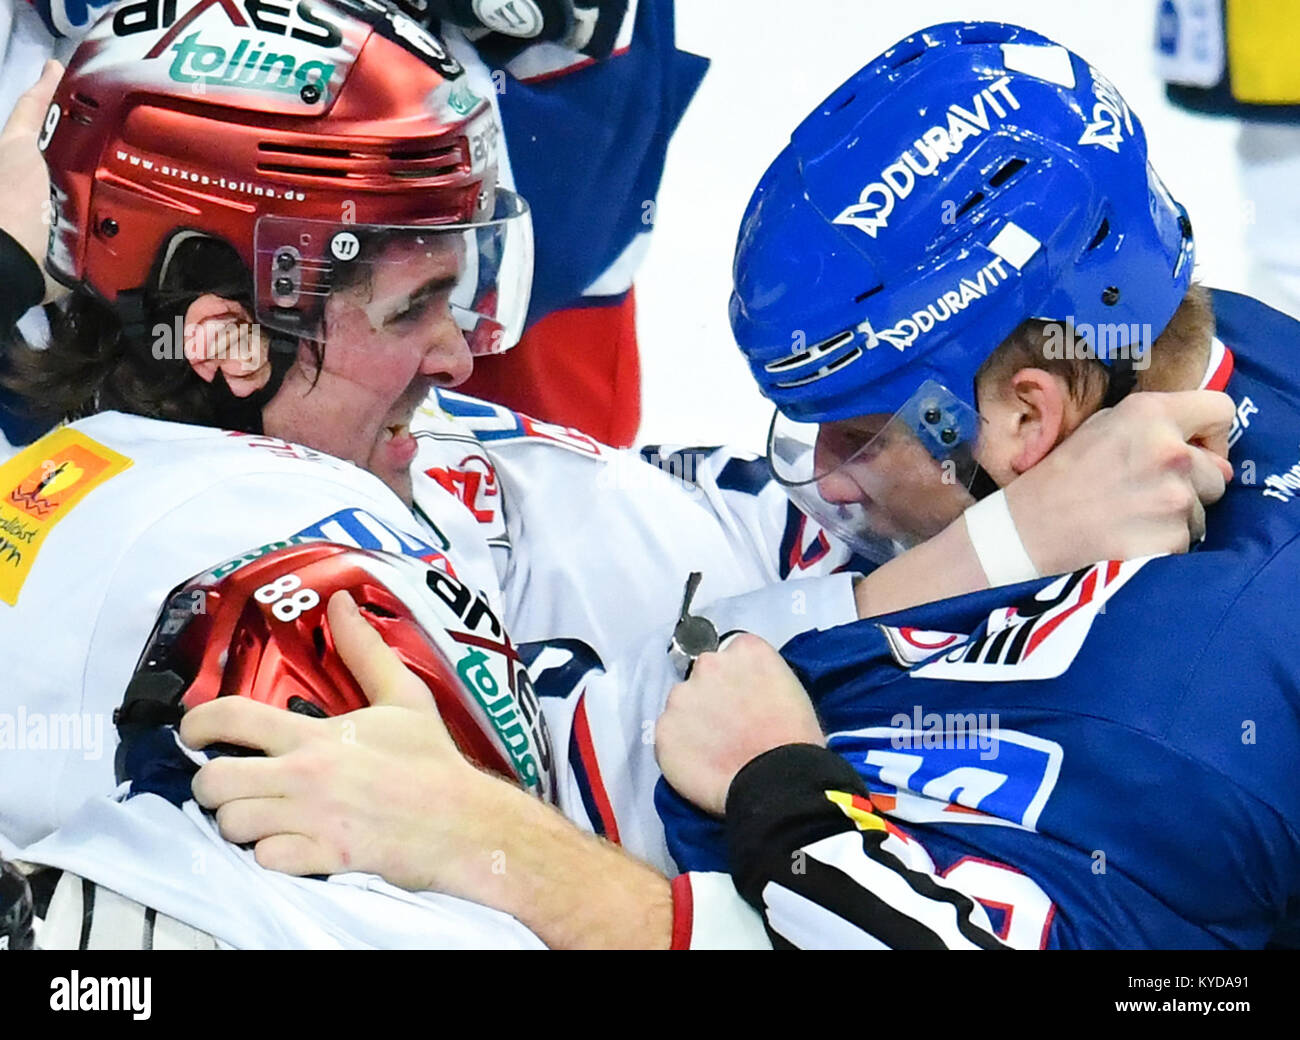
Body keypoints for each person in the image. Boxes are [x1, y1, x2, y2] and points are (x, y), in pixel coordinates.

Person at [0, 7, 1238, 948]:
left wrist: (1001, 535)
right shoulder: (270, 601)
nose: (466, 347)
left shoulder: (312, 439)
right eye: (418, 301)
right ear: (222, 334)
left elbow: (705, 567)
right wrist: (997, 550)